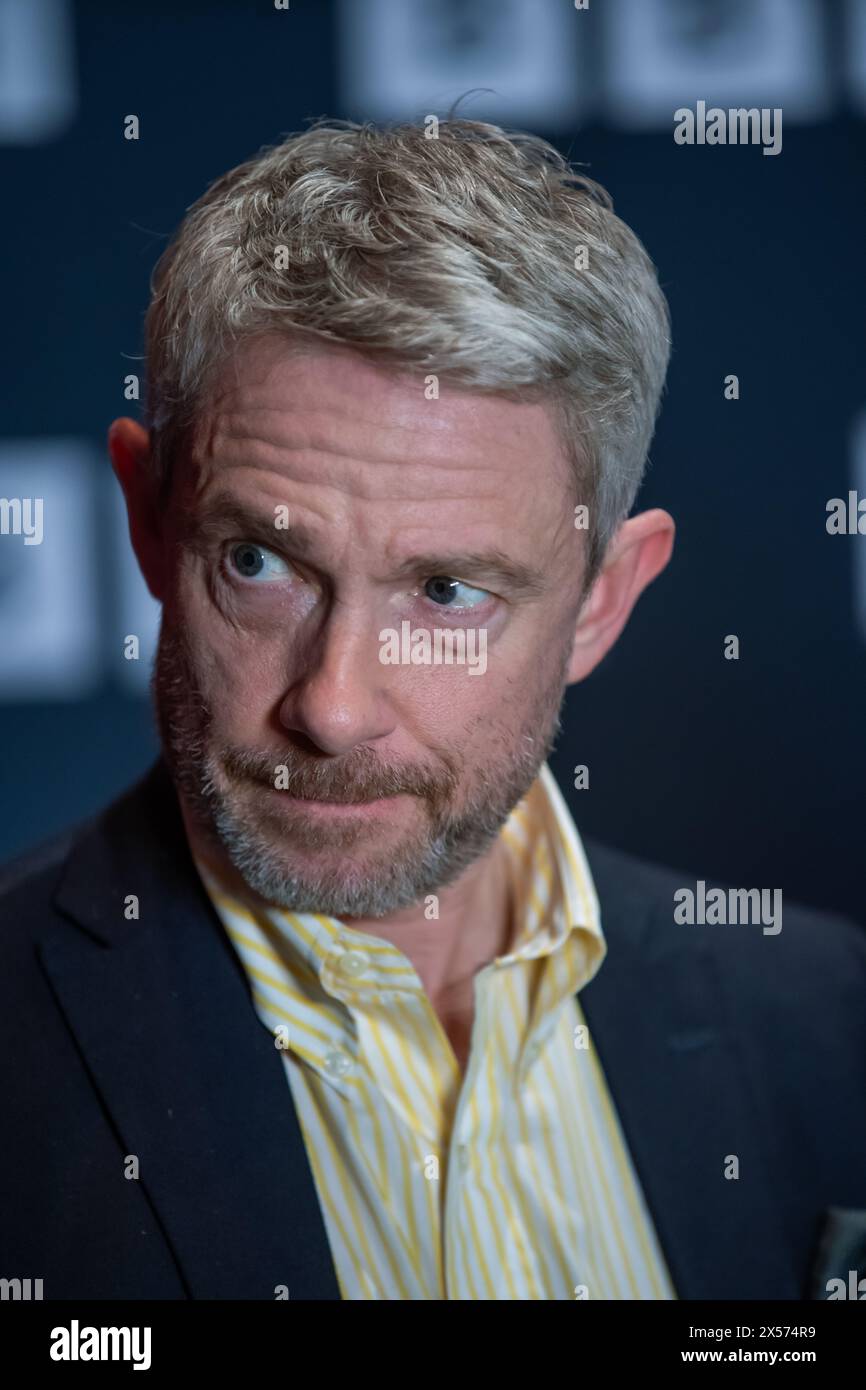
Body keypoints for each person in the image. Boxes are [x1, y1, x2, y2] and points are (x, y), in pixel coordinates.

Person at [1, 117, 863, 1301]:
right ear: (150, 523)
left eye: (448, 592)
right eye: (260, 563)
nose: (334, 707)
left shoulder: (826, 1025)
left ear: (602, 603)